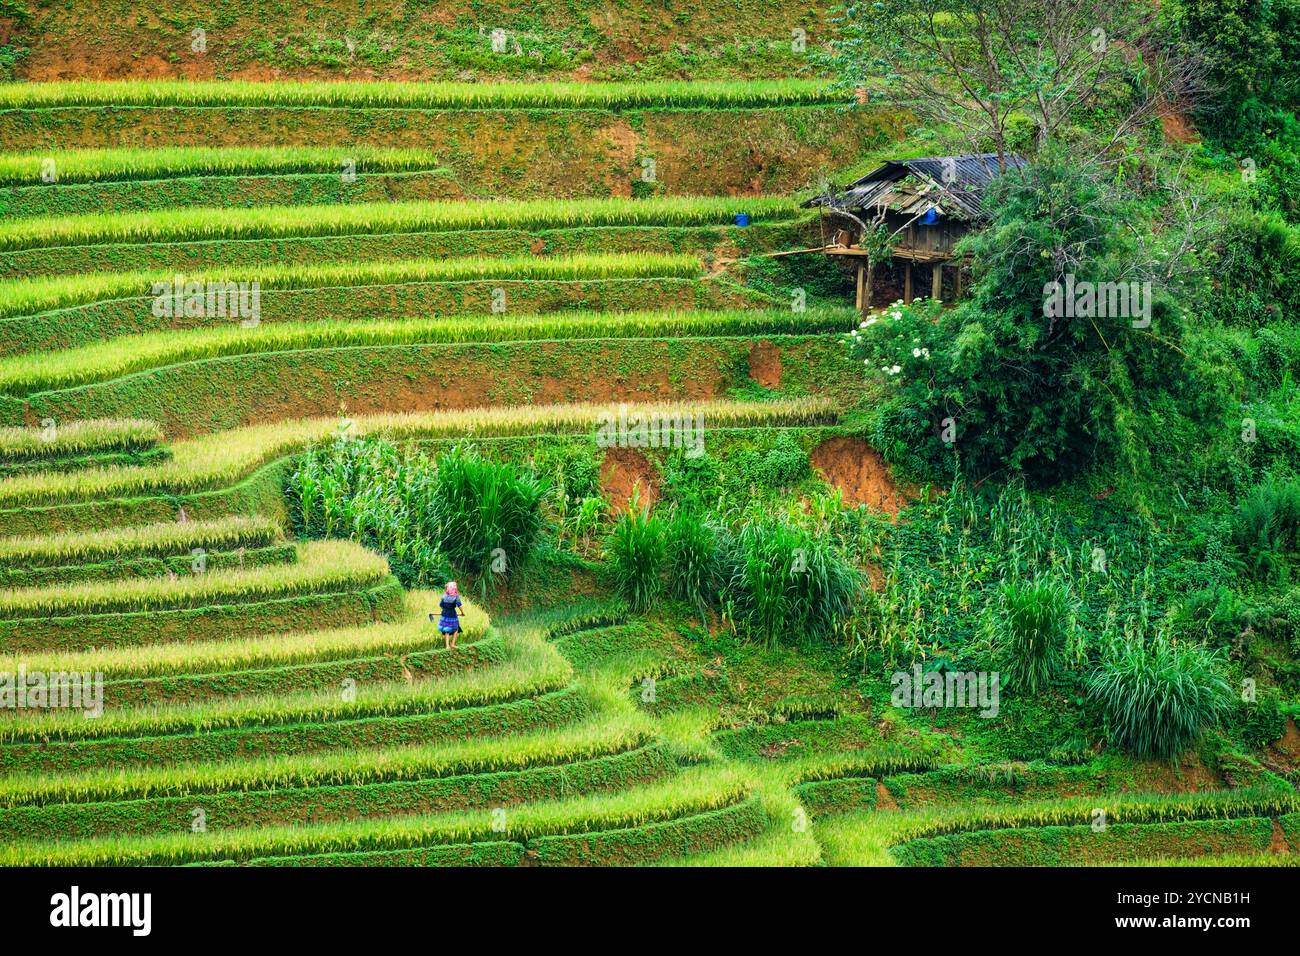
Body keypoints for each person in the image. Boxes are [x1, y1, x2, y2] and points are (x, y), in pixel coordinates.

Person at [430, 581, 463, 650]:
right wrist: (462, 612)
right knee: (456, 629)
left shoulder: (444, 596)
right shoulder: (456, 596)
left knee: (446, 630)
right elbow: (459, 605)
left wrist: (445, 610)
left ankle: (447, 646)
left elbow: (441, 605)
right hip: (452, 615)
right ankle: (453, 644)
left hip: (444, 614)